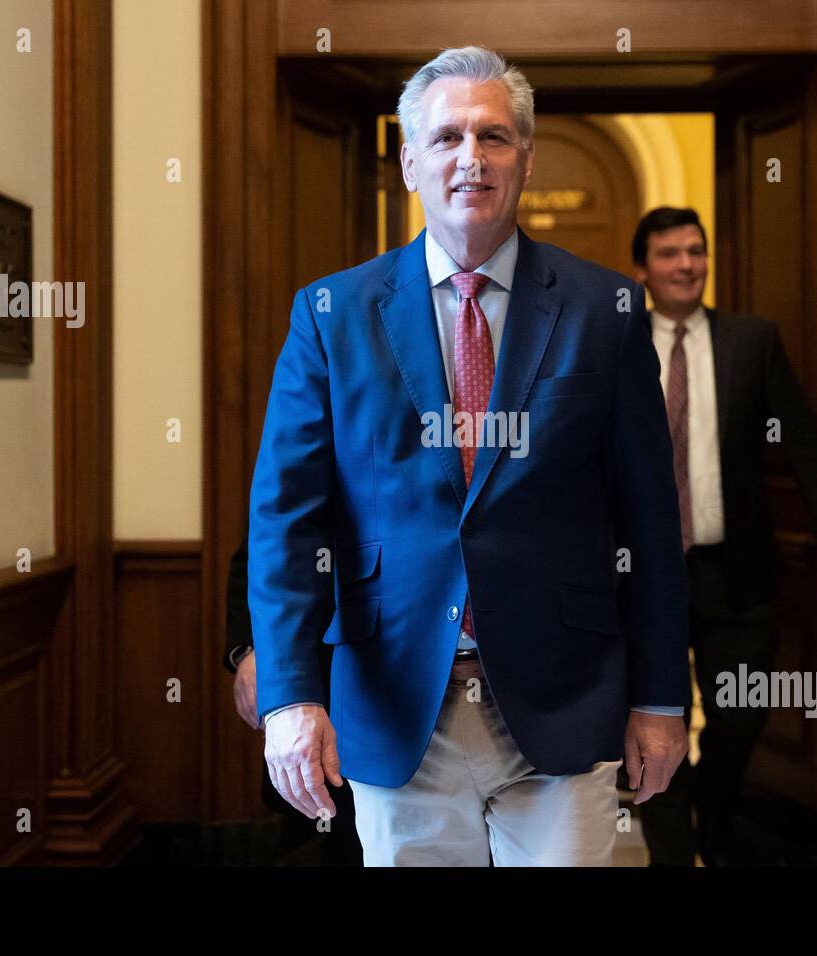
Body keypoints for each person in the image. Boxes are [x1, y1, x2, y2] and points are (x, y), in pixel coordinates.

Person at [246, 46, 691, 866]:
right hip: (395, 697)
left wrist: (663, 697)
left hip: (565, 694)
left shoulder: (607, 311)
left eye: (494, 136)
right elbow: (285, 519)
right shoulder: (331, 314)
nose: (471, 159)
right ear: (411, 160)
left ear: (526, 157)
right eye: (447, 137)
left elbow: (649, 523)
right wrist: (290, 695)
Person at [631, 207, 817, 866]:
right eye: (669, 253)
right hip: (644, 580)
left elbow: (806, 448)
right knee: (653, 726)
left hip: (736, 572)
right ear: (642, 269)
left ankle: (714, 803)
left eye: (696, 251)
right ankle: (670, 855)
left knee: (739, 715)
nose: (686, 265)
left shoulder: (751, 342)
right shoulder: (615, 344)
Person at [224, 541, 362, 865]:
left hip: (403, 692)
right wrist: (248, 651)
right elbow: (261, 551)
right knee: (313, 833)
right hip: (311, 677)